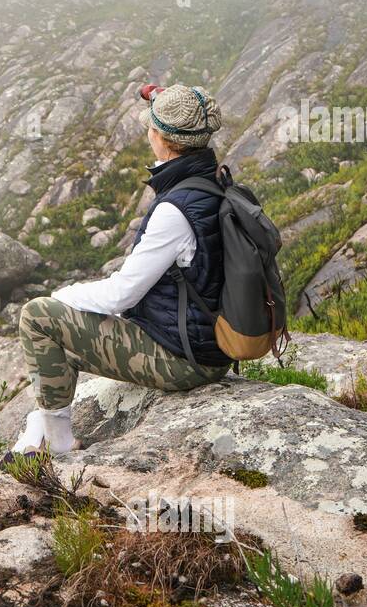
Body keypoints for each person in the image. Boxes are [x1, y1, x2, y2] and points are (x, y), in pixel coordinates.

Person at [13, 83, 233, 456]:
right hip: (207, 345)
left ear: (159, 138)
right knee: (61, 344)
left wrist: (60, 298)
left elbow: (122, 294)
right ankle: (40, 429)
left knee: (38, 318)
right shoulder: (211, 182)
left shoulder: (175, 210)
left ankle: (59, 445)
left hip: (184, 360)